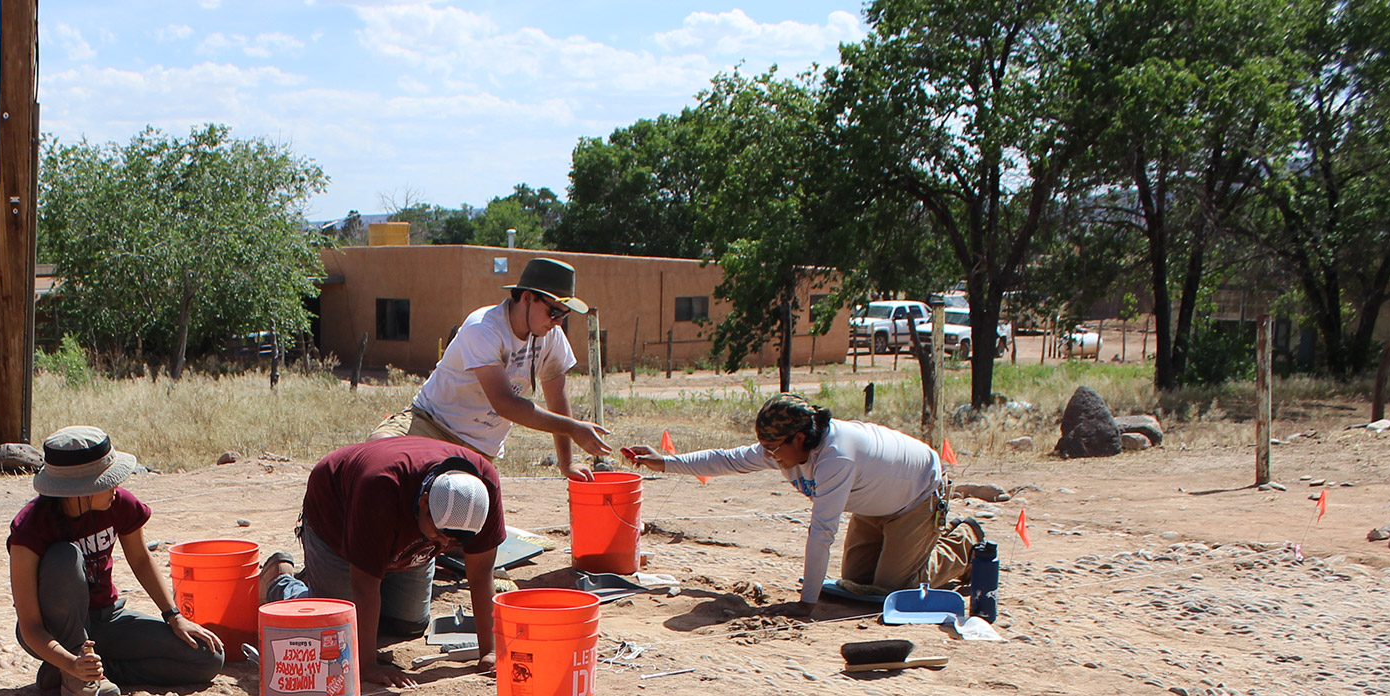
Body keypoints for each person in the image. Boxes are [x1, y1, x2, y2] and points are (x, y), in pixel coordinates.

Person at [623, 395, 966, 609]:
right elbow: (725, 460)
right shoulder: (781, 447)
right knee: (855, 583)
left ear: (800, 438)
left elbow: (822, 533)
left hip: (917, 496)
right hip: (872, 503)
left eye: (774, 450)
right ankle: (917, 545)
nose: (769, 457)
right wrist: (664, 462)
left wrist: (806, 603)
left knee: (891, 590)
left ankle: (965, 542)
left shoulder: (837, 457)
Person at [8, 424, 227, 696]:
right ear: (81, 488)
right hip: (55, 631)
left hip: (107, 619)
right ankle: (75, 674)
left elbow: (141, 559)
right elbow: (30, 626)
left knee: (207, 657)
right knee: (64, 557)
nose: (117, 485)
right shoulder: (30, 528)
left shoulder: (119, 503)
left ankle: (90, 670)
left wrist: (174, 616)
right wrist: (71, 660)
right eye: (107, 480)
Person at [261, 436, 504, 688]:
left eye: (455, 543)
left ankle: (333, 578)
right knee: (334, 631)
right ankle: (280, 581)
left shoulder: (482, 489)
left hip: (399, 532)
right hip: (337, 520)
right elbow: (364, 585)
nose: (444, 545)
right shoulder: (379, 488)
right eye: (440, 534)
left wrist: (490, 652)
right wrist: (368, 666)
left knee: (409, 624)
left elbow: (480, 574)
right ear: (424, 502)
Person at [385, 257, 615, 479]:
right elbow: (504, 403)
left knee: (453, 501)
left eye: (565, 314)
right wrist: (573, 428)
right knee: (379, 460)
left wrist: (567, 463)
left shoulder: (551, 337)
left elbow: (557, 399)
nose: (558, 322)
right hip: (429, 425)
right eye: (553, 312)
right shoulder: (484, 327)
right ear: (527, 297)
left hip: (478, 449)